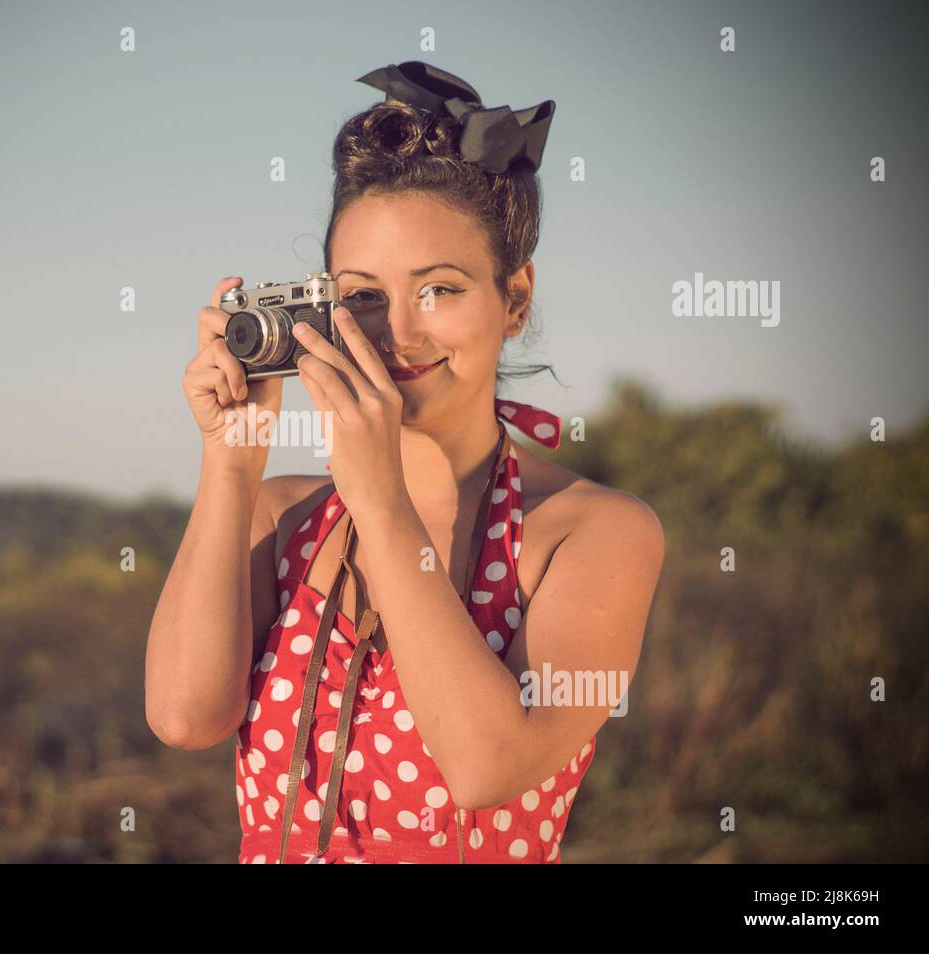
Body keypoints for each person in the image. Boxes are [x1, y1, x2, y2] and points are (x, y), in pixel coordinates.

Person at [146, 61, 664, 863]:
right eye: (362, 296)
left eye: (440, 290)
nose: (399, 332)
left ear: (516, 298)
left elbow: (489, 765)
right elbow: (185, 719)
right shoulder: (281, 514)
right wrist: (230, 460)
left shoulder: (591, 534)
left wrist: (383, 505)